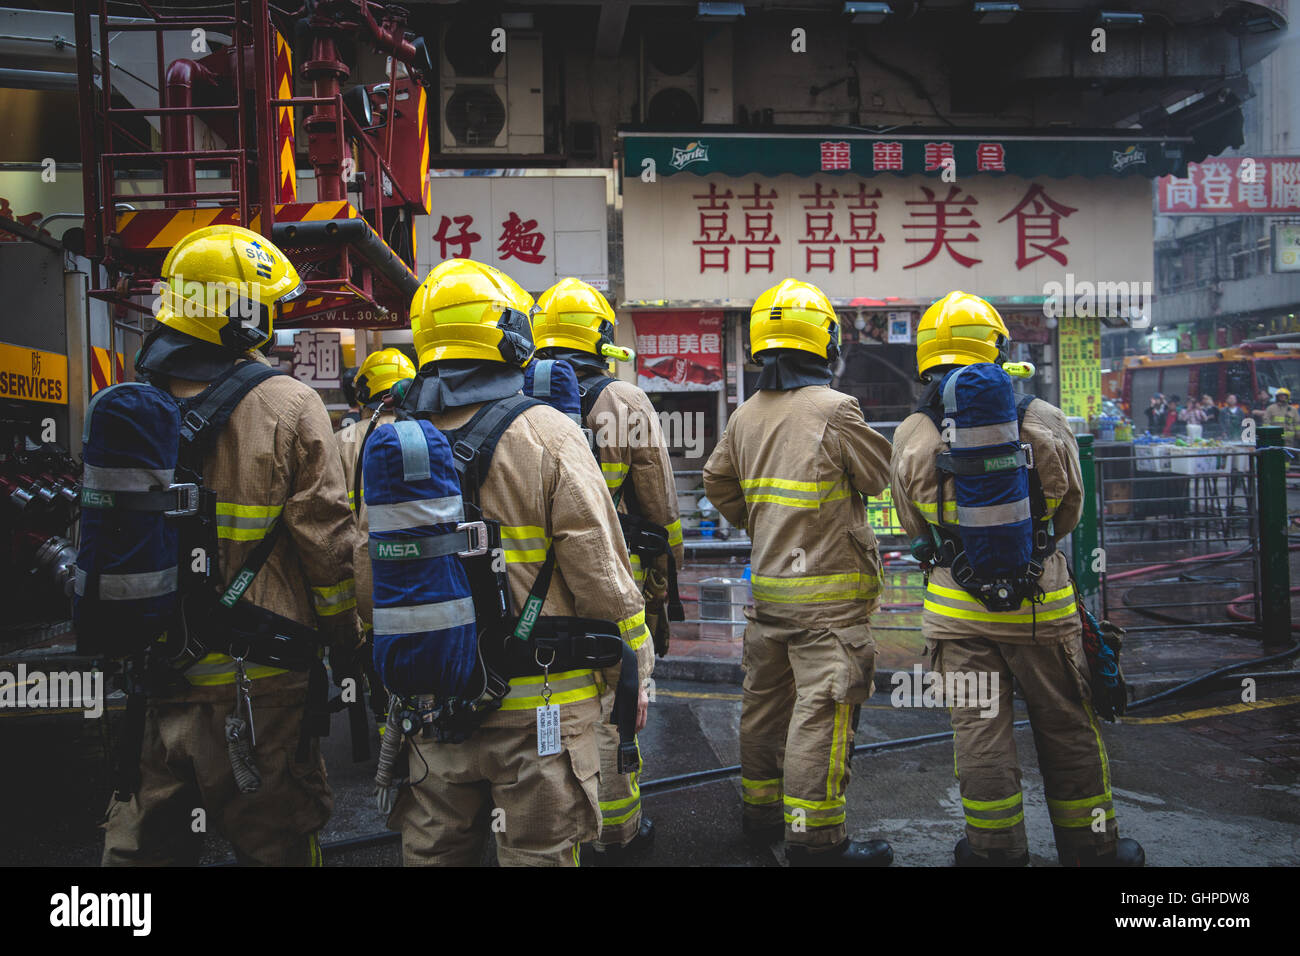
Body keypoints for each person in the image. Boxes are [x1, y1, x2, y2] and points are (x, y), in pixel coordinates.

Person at [103, 224, 362, 865]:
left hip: (158, 675)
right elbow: (328, 546)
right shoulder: (290, 405)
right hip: (264, 682)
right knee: (277, 841)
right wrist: (346, 641)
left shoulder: (127, 409)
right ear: (241, 318)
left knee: (141, 852)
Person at [387, 258, 653, 866]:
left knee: (433, 857)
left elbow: (363, 568)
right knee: (539, 854)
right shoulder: (549, 433)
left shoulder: (394, 439)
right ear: (510, 336)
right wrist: (629, 672)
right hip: (540, 715)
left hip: (434, 710)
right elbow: (600, 570)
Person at [889, 289, 1143, 868]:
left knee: (979, 736)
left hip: (956, 614)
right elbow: (1071, 506)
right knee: (1066, 726)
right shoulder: (1042, 417)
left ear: (927, 357)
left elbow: (912, 525)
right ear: (996, 349)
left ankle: (994, 851)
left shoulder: (912, 432)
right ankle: (1094, 849)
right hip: (1040, 606)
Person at [703, 278, 893, 867]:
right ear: (824, 342)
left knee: (763, 707)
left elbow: (715, 480)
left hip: (769, 600)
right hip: (828, 606)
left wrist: (761, 519)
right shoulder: (836, 409)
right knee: (822, 712)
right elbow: (878, 477)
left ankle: (760, 815)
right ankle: (817, 841)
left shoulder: (745, 415)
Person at [531, 277, 682, 861]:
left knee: (560, 699)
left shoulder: (515, 402)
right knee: (621, 698)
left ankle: (561, 825)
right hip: (615, 582)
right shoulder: (625, 402)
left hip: (536, 588)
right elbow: (661, 511)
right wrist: (662, 592)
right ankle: (618, 832)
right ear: (599, 340)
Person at [335, 348, 417, 729]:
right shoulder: (416, 436)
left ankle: (381, 713)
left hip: (353, 567)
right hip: (405, 566)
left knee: (366, 653)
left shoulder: (342, 440)